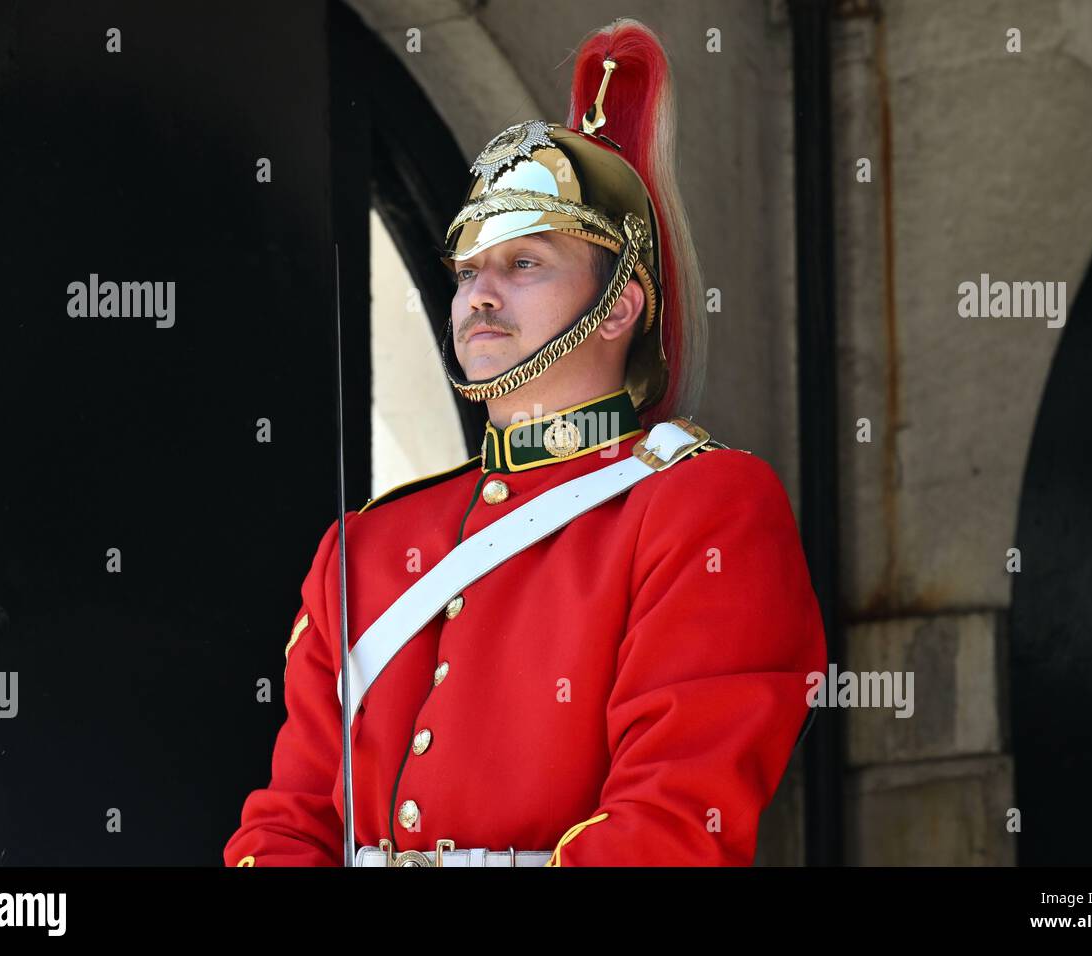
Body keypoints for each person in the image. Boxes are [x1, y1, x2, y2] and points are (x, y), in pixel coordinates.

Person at [223, 17, 825, 868]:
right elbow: (288, 825)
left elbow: (674, 827)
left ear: (619, 305)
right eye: (469, 269)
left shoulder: (703, 505)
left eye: (525, 264)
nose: (478, 295)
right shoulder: (365, 545)